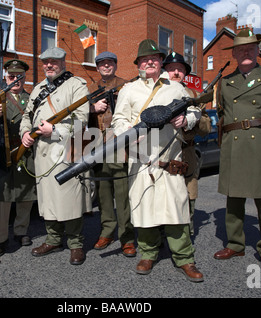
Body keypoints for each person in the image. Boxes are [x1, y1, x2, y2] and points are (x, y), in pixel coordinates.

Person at [111, 39, 203, 282]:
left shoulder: (175, 87)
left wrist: (186, 120)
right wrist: (129, 134)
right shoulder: (128, 90)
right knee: (144, 210)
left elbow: (195, 111)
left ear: (161, 61)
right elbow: (118, 120)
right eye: (144, 59)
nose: (149, 61)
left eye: (154, 58)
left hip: (170, 162)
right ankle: (148, 253)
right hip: (140, 162)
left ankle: (185, 258)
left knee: (177, 211)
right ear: (138, 64)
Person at [213, 29, 261, 274]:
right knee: (233, 198)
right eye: (241, 49)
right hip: (235, 141)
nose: (246, 52)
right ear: (234, 53)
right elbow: (223, 115)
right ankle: (235, 244)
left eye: (250, 49)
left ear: (258, 52)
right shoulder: (225, 82)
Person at [20, 47, 89, 265]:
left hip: (64, 150)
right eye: (46, 62)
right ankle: (53, 239)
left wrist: (56, 131)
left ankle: (76, 244)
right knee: (48, 197)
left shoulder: (76, 85)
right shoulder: (38, 88)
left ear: (63, 62)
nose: (49, 65)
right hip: (41, 153)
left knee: (70, 198)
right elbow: (26, 116)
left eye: (54, 61)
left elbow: (82, 121)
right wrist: (24, 133)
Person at [88, 51, 136, 257]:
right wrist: (92, 108)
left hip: (119, 143)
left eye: (109, 63)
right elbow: (79, 113)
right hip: (97, 143)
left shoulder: (127, 86)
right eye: (102, 64)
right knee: (103, 193)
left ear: (115, 65)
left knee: (122, 193)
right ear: (97, 67)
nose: (106, 66)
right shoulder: (90, 88)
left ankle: (127, 237)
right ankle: (107, 232)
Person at [0, 59, 37, 257]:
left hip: (25, 151)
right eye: (11, 76)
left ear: (24, 77)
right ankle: (1, 237)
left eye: (19, 77)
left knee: (25, 194)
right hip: (5, 151)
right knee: (3, 197)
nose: (15, 80)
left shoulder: (32, 98)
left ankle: (21, 231)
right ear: (5, 77)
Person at [163, 52, 211, 236]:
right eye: (171, 69)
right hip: (162, 153)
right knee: (163, 197)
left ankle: (186, 234)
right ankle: (161, 237)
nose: (176, 72)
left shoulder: (194, 95)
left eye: (180, 69)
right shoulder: (156, 94)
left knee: (188, 196)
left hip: (186, 153)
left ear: (185, 73)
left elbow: (206, 129)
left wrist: (194, 118)